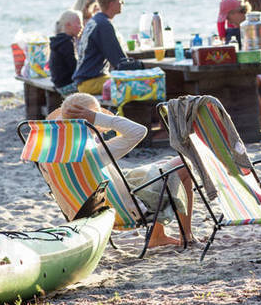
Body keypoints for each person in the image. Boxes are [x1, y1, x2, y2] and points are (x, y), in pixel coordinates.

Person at [48, 92, 194, 249]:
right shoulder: (94, 154)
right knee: (183, 165)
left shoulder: (52, 153)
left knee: (164, 163)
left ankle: (158, 236)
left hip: (87, 210)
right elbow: (139, 131)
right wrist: (97, 118)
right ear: (90, 121)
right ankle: (186, 236)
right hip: (124, 210)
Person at [73, 0, 133, 95]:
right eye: (120, 0)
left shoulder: (95, 21)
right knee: (140, 85)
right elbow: (119, 61)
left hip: (85, 81)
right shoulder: (104, 24)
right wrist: (140, 71)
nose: (122, 3)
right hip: (92, 82)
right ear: (111, 3)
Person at [49, 9, 82, 94]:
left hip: (59, 84)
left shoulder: (59, 40)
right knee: (92, 85)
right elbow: (73, 67)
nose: (81, 26)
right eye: (79, 23)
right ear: (68, 25)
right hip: (66, 86)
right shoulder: (67, 42)